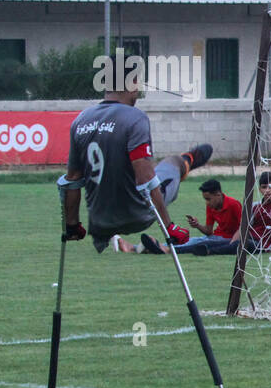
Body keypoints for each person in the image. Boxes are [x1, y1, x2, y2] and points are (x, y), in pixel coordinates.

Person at [59, 61, 210, 253]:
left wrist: (72, 225)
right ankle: (185, 162)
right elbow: (145, 178)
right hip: (136, 215)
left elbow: (72, 180)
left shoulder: (80, 121)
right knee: (171, 164)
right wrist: (170, 227)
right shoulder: (135, 118)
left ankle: (112, 242)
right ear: (132, 83)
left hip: (99, 220)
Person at [130, 178, 241, 255]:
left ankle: (165, 249)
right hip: (215, 237)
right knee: (192, 240)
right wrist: (197, 225)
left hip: (228, 240)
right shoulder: (211, 207)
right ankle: (140, 247)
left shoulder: (234, 204)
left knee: (199, 243)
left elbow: (243, 227)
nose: (207, 203)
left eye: (208, 199)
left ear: (218, 194)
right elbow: (208, 231)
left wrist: (232, 244)